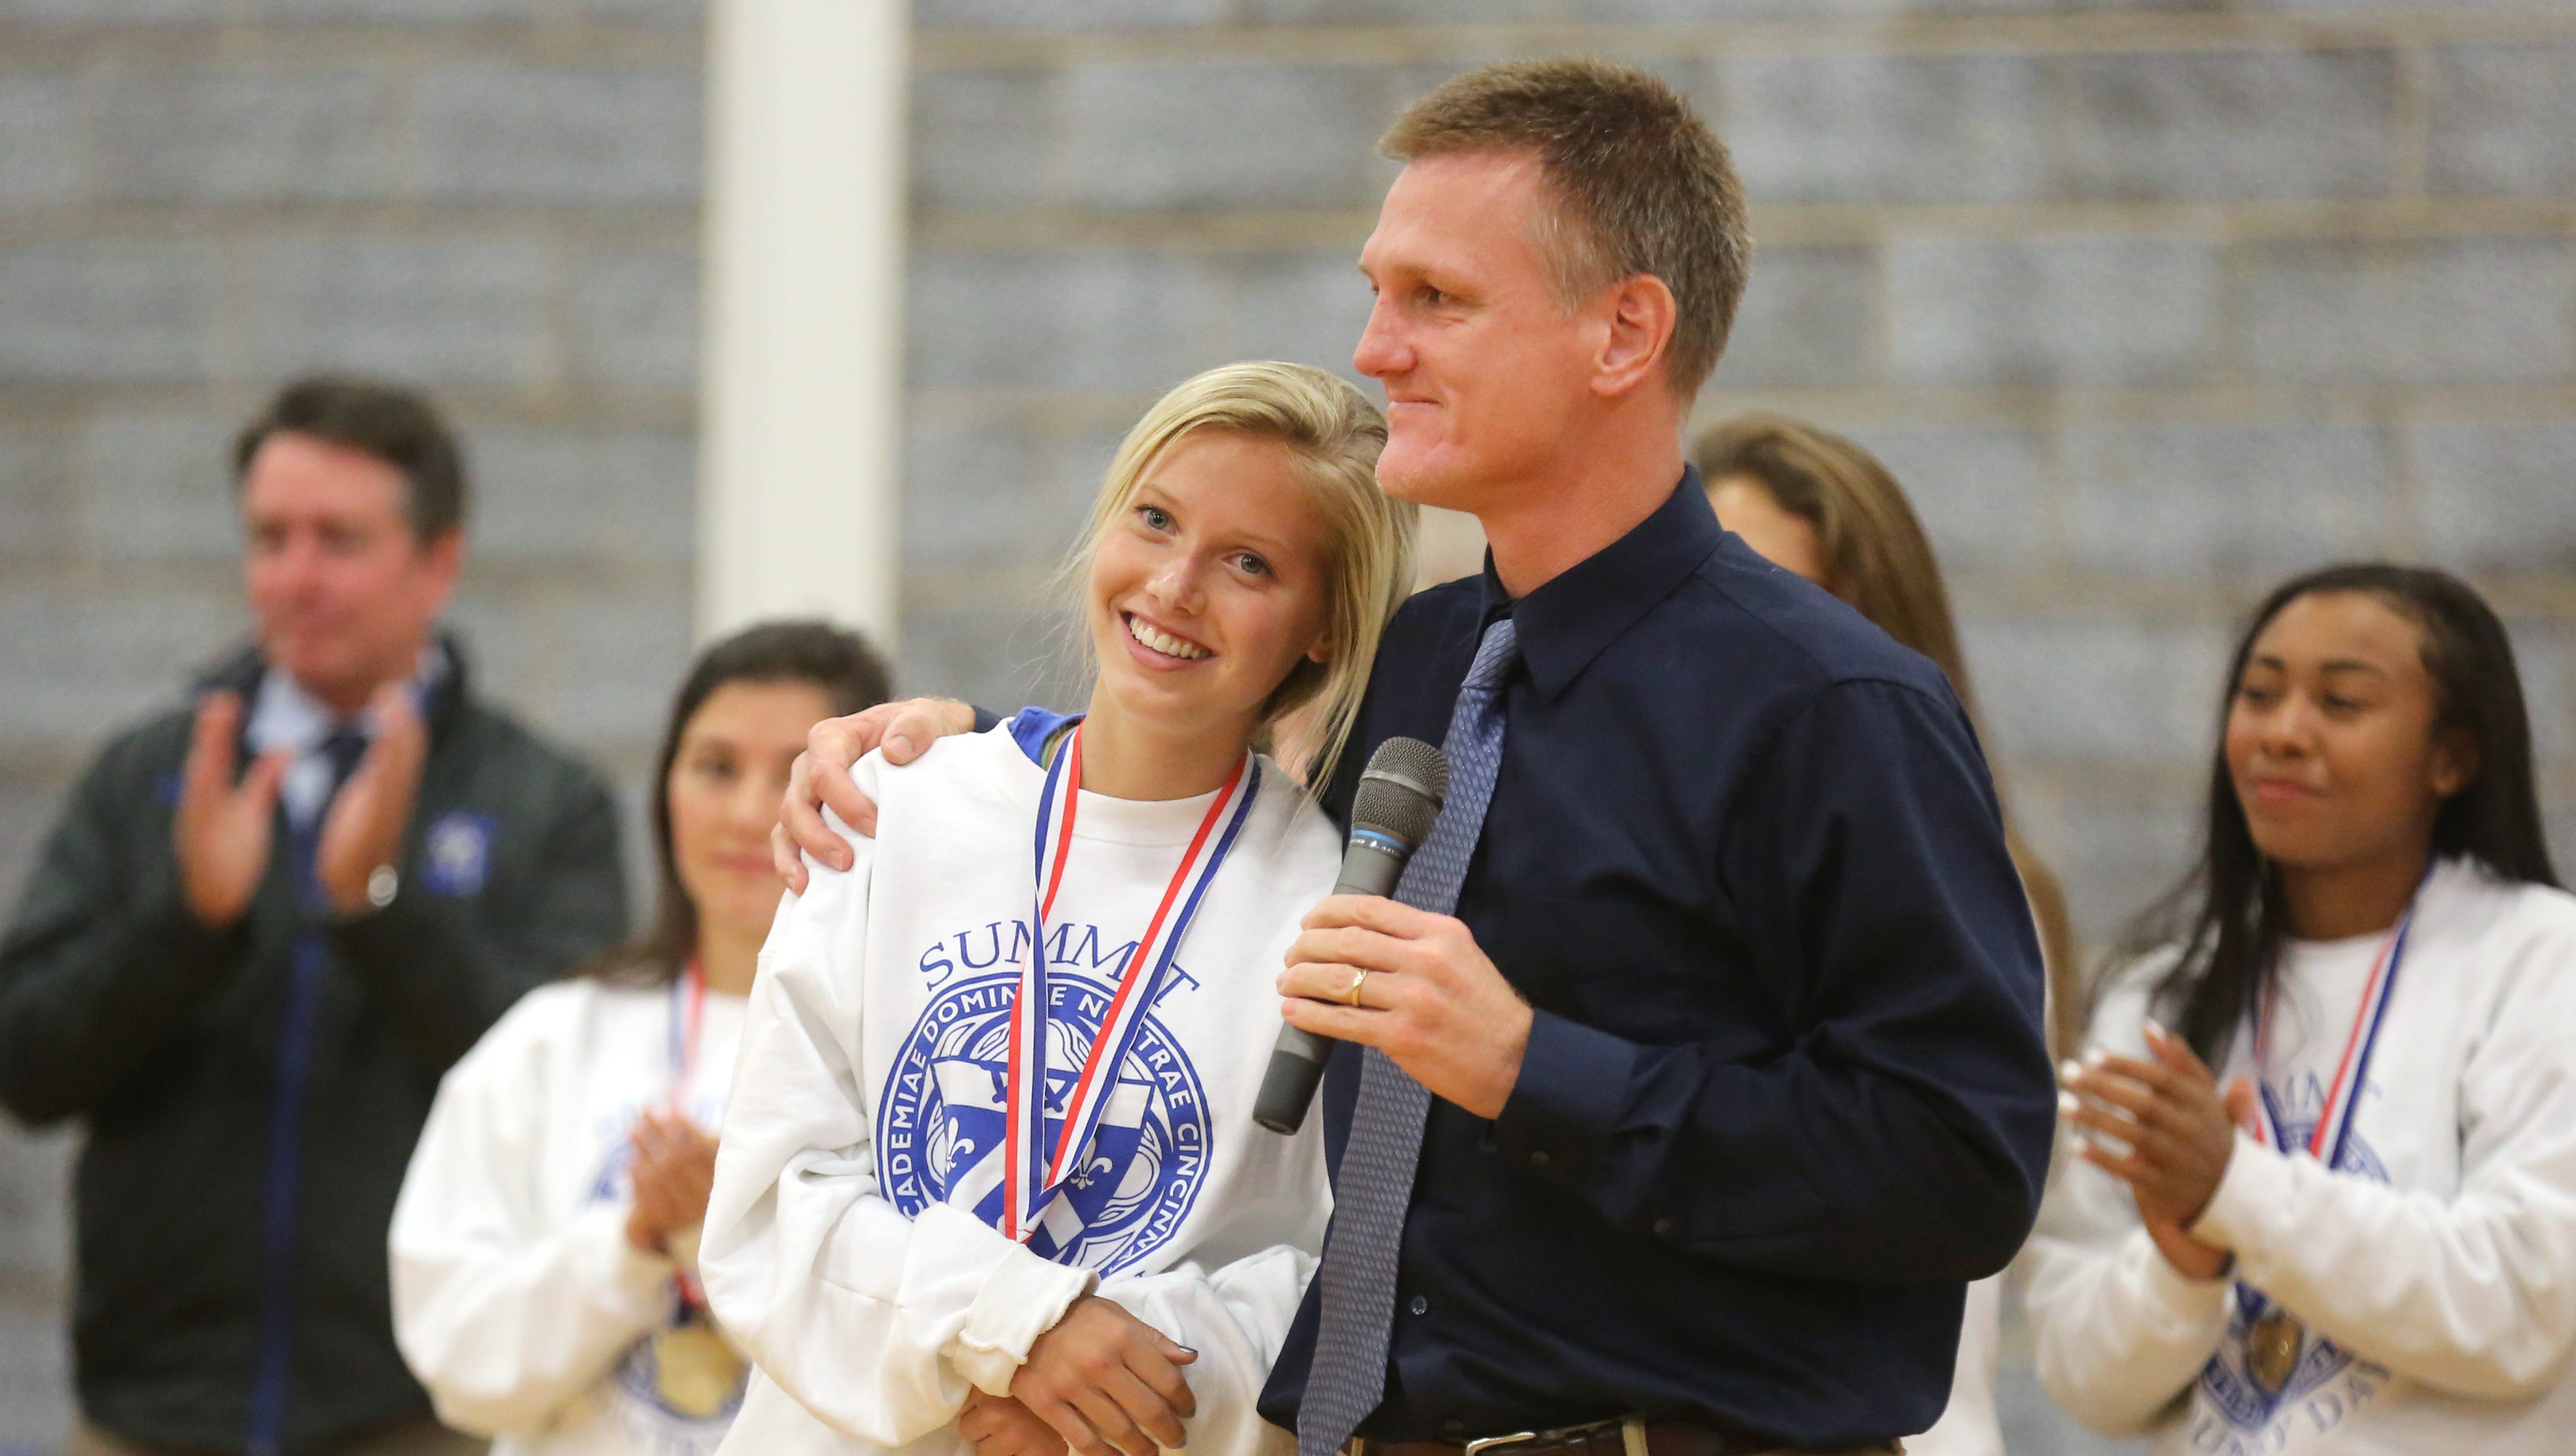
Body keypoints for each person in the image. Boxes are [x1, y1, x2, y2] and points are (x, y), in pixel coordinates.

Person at [777, 60, 2055, 1456]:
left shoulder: (1832, 706)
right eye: (1379, 292)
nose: (1377, 350)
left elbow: (1964, 1163)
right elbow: (1189, 810)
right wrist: (961, 745)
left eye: (1437, 300)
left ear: (1624, 333)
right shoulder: (1422, 658)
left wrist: (1532, 1066)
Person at [700, 361, 1417, 1456]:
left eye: (1249, 562)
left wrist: (1109, 1381)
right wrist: (1014, 1327)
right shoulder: (888, 808)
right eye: (1157, 520)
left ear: (1324, 626)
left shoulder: (1330, 908)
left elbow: (1329, 1278)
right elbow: (766, 1209)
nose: (1176, 587)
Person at [0, 376, 631, 1456]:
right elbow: (29, 1064)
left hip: (418, 1418)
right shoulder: (148, 779)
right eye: (269, 537)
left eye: (338, 539)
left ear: (438, 563)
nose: (294, 577)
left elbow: (576, 1102)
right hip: (149, 1419)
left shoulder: (541, 799)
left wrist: (380, 910)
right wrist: (186, 922)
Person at [2030, 564, 2576, 1453]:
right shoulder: (2162, 993)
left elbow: (2523, 1307)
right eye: (2259, 694)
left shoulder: (2544, 958)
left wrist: (2234, 1190)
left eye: (2343, 703)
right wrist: (2181, 1264)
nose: (2283, 733)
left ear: (2455, 755)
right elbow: (2078, 1369)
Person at [389, 622, 893, 1456]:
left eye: (795, 773)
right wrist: (633, 1243)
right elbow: (458, 1358)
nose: (745, 813)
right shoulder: (554, 1040)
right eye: (716, 768)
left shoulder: (926, 1053)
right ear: (665, 788)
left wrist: (730, 1231)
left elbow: (932, 1359)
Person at [1695, 412, 2079, 1456]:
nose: (1738, 633)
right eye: (1707, 598)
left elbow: (1905, 1187)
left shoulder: (1965, 875)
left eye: (1784, 597)